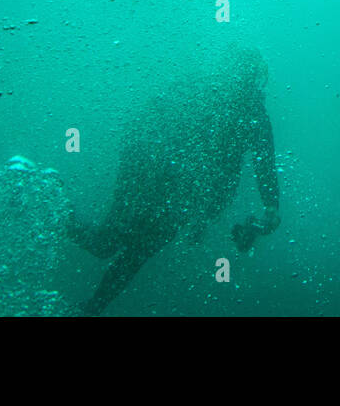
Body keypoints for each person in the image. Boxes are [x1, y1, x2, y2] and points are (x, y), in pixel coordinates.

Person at [67, 44, 280, 314]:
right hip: (156, 179)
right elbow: (148, 123)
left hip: (175, 194)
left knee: (132, 252)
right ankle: (56, 210)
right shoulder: (211, 94)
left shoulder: (248, 112)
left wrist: (268, 209)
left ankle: (90, 307)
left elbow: (264, 168)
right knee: (112, 246)